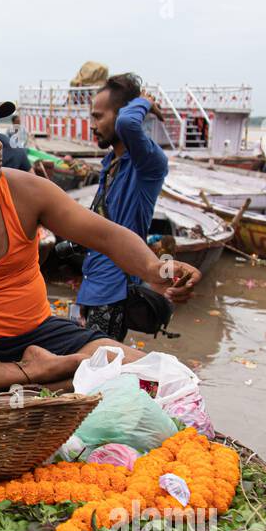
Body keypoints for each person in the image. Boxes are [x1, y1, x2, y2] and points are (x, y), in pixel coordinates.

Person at [0, 91, 200, 402]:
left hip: (37, 332)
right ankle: (39, 373)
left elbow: (107, 236)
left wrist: (157, 268)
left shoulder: (28, 192)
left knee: (155, 374)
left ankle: (26, 376)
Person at [72, 73, 169, 342]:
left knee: (100, 366)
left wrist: (144, 101)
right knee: (87, 362)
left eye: (99, 116)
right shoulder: (110, 163)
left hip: (115, 288)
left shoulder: (148, 165)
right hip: (96, 282)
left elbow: (127, 123)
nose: (93, 125)